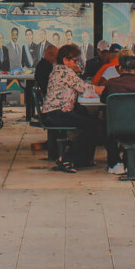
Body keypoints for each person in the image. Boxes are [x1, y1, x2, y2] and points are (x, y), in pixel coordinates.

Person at [41, 43, 103, 173]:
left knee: (92, 121)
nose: (76, 63)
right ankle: (67, 159)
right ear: (65, 60)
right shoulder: (65, 72)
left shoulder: (57, 69)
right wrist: (102, 89)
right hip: (57, 114)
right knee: (91, 124)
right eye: (75, 60)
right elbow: (84, 88)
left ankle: (85, 159)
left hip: (54, 113)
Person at [101, 52, 135, 175]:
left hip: (116, 127)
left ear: (120, 69)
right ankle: (133, 163)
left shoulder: (111, 83)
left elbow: (103, 100)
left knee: (103, 122)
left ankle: (115, 163)